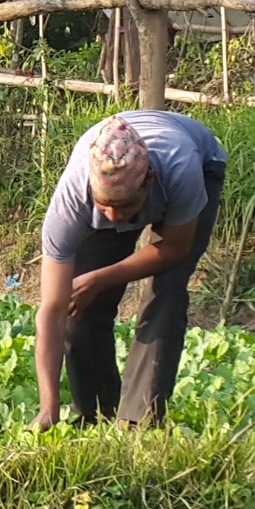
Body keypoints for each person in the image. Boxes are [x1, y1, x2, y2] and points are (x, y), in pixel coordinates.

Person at [31, 112, 227, 430]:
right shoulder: (72, 200)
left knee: (167, 290)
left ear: (148, 181)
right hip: (116, 188)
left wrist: (99, 278)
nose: (112, 215)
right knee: (78, 303)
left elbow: (174, 250)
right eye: (103, 205)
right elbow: (51, 311)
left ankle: (139, 419)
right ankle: (95, 412)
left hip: (198, 159)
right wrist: (48, 406)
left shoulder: (180, 169)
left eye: (122, 207)